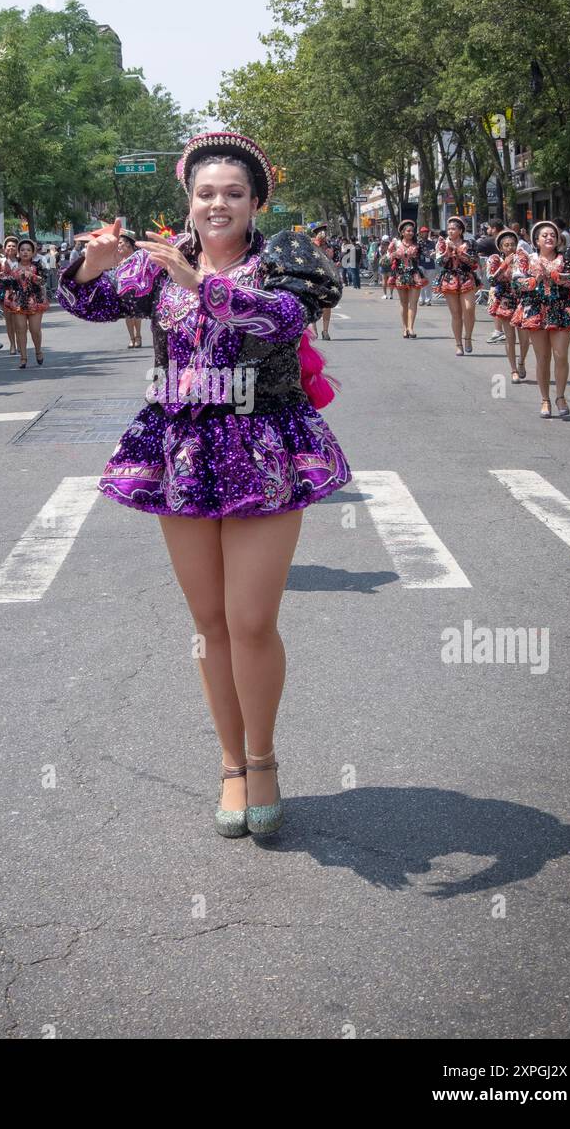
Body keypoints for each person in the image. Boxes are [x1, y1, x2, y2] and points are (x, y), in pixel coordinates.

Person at [56, 131, 351, 839]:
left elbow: (280, 321)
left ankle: (264, 759)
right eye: (206, 193)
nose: (218, 204)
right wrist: (88, 269)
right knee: (210, 624)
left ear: (255, 204)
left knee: (252, 621)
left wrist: (204, 288)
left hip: (263, 445)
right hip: (181, 448)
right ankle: (228, 766)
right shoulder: (160, 266)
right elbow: (92, 307)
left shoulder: (280, 262)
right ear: (189, 200)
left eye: (233, 194)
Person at [510, 220, 570, 418]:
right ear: (536, 240)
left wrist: (556, 276)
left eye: (553, 234)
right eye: (544, 235)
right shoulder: (526, 258)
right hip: (536, 309)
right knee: (542, 357)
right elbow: (517, 282)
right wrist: (535, 279)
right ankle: (545, 399)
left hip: (560, 308)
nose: (549, 237)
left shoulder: (566, 256)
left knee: (561, 355)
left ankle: (560, 396)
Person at [486, 228, 530, 383]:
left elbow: (527, 276)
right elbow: (491, 279)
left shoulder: (523, 258)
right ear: (501, 247)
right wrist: (505, 264)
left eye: (512, 244)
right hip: (505, 300)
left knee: (525, 338)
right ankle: (513, 370)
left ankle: (522, 362)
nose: (510, 247)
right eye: (506, 245)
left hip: (523, 300)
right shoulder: (495, 260)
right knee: (510, 338)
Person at [0, 237, 49, 367]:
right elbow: (5, 282)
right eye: (22, 250)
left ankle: (38, 351)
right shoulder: (12, 266)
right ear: (18, 252)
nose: (25, 252)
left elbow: (43, 281)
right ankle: (23, 357)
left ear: (33, 252)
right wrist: (1, 279)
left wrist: (31, 275)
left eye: (28, 250)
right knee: (20, 329)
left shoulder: (37, 265)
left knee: (35, 329)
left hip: (35, 299)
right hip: (18, 301)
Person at [436, 216, 481, 354]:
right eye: (448, 229)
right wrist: (447, 253)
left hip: (466, 277)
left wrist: (458, 250)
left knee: (469, 308)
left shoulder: (470, 243)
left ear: (460, 230)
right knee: (455, 313)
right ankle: (458, 343)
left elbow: (474, 262)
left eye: (453, 229)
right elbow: (440, 263)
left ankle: (468, 337)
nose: (450, 231)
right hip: (450, 278)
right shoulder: (442, 244)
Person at [386, 220, 428, 337]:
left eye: (412, 231)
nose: (411, 233)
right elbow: (387, 258)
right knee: (404, 303)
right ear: (402, 232)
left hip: (415, 274)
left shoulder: (418, 243)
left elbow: (427, 254)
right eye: (408, 231)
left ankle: (411, 328)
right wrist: (393, 255)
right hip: (400, 274)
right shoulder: (395, 243)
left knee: (413, 303)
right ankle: (404, 328)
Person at [309, 226, 341, 338]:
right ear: (316, 235)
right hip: (314, 278)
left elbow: (335, 260)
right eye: (321, 233)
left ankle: (325, 331)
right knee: (313, 303)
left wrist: (335, 264)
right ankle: (314, 328)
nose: (324, 235)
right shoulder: (311, 246)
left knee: (327, 304)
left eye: (325, 233)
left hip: (327, 278)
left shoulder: (331, 246)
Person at [0, 235, 21, 354]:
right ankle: (12, 345)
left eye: (14, 246)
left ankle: (20, 343)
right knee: (9, 320)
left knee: (19, 321)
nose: (11, 248)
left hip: (20, 293)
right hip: (6, 293)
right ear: (4, 248)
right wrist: (3, 275)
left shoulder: (22, 260)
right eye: (9, 246)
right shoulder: (0, 261)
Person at [115, 231, 143, 347]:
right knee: (128, 315)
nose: (119, 245)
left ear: (128, 244)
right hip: (123, 290)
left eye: (121, 243)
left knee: (136, 314)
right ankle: (131, 337)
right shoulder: (119, 260)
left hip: (136, 289)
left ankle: (138, 336)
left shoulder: (137, 257)